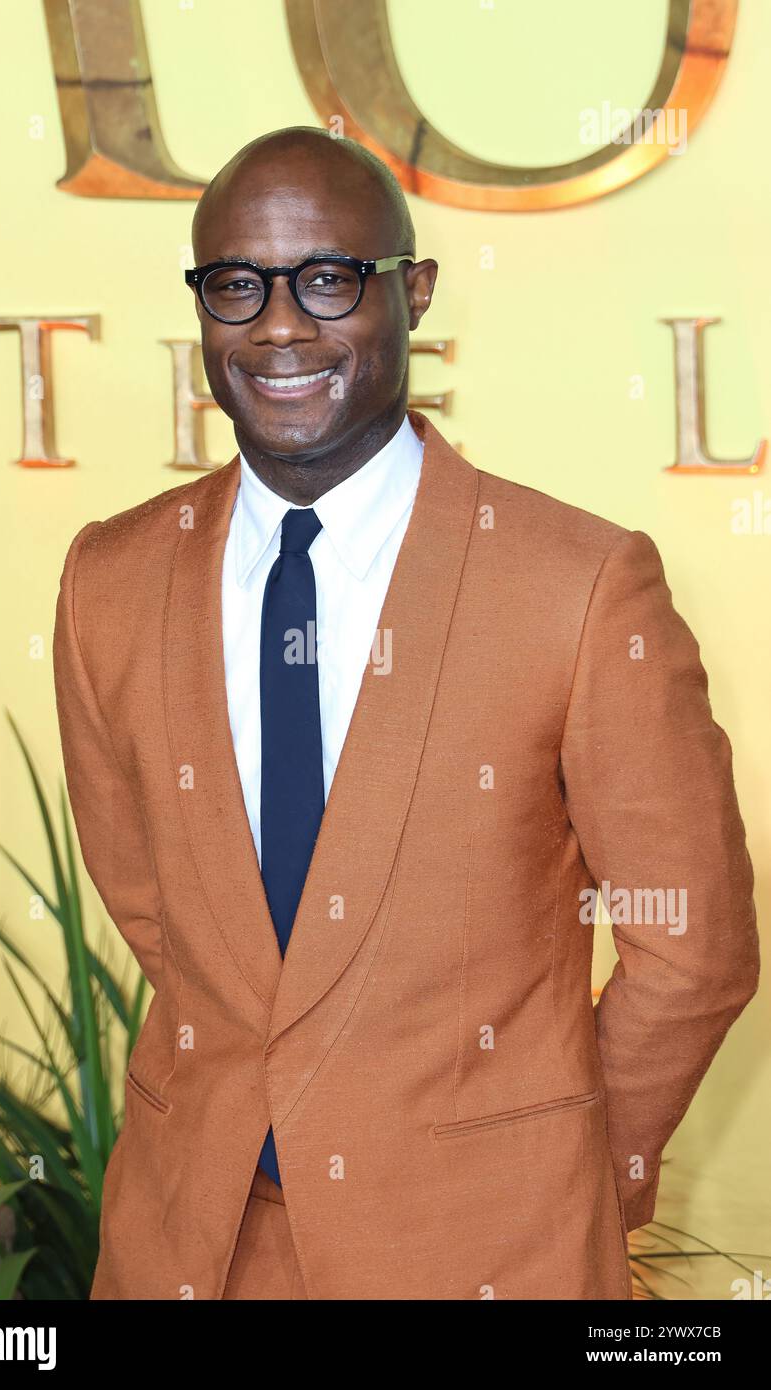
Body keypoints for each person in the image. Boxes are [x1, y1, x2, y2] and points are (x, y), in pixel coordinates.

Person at [52, 126, 760, 1300]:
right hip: (186, 1248)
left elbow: (691, 950)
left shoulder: (576, 586)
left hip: (487, 1250)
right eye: (236, 285)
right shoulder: (107, 581)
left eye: (328, 279)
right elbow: (159, 914)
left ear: (412, 291)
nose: (279, 326)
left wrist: (552, 1161)